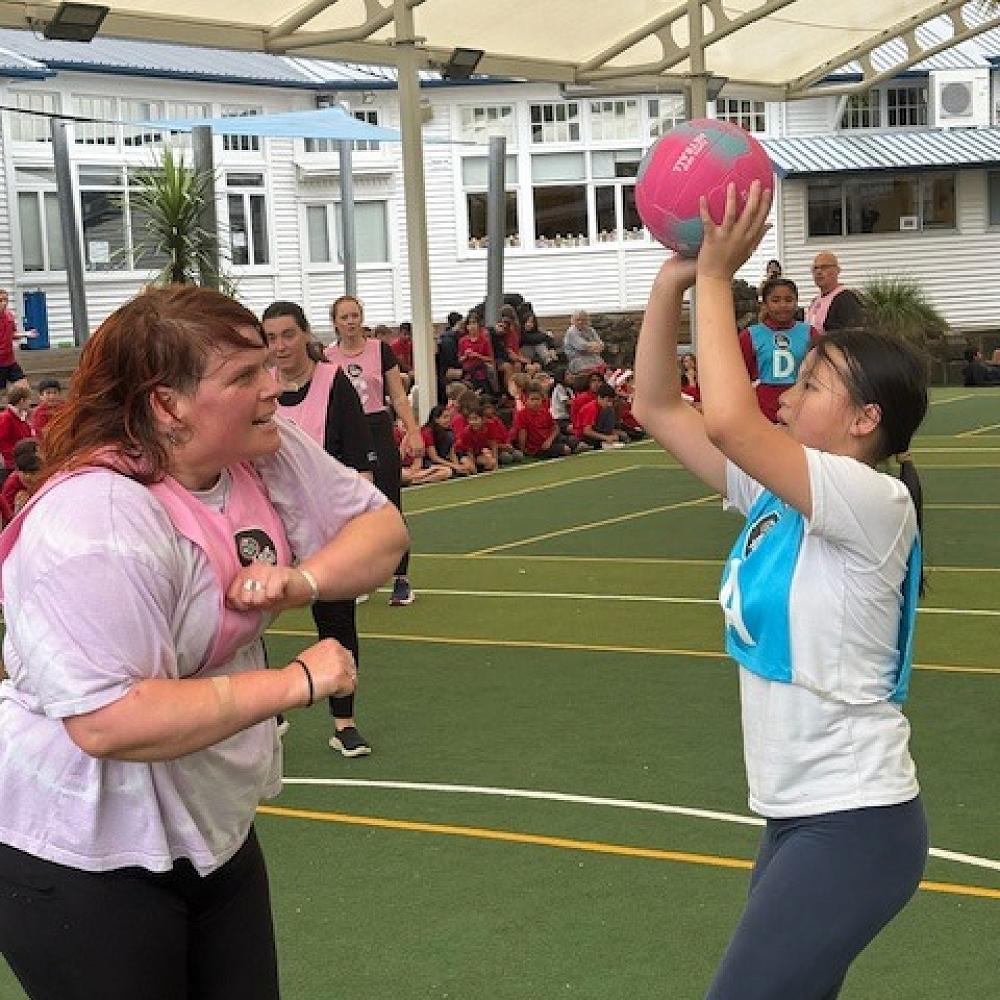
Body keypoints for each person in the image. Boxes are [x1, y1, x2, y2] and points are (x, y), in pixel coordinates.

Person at [0, 285, 408, 1000]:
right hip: (83, 849)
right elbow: (108, 720)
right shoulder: (96, 518)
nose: (273, 386)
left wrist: (302, 580)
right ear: (168, 405)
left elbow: (382, 531)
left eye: (268, 365)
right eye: (244, 375)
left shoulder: (263, 452)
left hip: (211, 828)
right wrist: (296, 682)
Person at [633, 182, 928, 1000]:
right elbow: (657, 405)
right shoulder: (775, 498)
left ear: (865, 420)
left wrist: (718, 277)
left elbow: (729, 422)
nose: (788, 395)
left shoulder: (873, 501)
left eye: (812, 385)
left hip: (856, 822)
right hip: (797, 818)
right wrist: (674, 280)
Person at [263, 300, 379, 757]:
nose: (280, 346)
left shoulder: (334, 382)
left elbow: (358, 458)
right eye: (271, 338)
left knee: (337, 622)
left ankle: (344, 722)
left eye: (288, 335)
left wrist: (360, 528)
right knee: (247, 622)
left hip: (324, 526)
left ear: (305, 334)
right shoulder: (261, 389)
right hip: (271, 521)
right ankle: (268, 711)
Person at [326, 295, 422, 607]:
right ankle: (361, 577)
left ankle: (401, 578)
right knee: (351, 510)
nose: (351, 322)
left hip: (377, 426)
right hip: (345, 433)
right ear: (335, 322)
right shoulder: (327, 357)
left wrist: (413, 430)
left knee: (389, 503)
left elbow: (398, 395)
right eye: (344, 317)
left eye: (355, 315)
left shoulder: (380, 350)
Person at [740, 278, 819, 423]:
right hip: (763, 412)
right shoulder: (750, 335)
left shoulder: (810, 333)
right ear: (765, 304)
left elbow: (820, 372)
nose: (783, 305)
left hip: (801, 409)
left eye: (788, 300)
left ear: (796, 302)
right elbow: (738, 376)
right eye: (775, 300)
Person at [805, 252, 866, 334]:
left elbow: (854, 334)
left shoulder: (845, 299)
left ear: (837, 270)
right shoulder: (815, 301)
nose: (818, 272)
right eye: (815, 268)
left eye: (824, 267)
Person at [0, 291, 32, 395]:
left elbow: (12, 334)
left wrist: (26, 334)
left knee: (24, 390)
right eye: (0, 300)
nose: (4, 303)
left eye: (6, 300)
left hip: (10, 361)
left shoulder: (9, 316)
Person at [0, 385, 35, 481]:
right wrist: (15, 457)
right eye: (28, 399)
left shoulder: (21, 417)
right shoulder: (6, 417)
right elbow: (2, 441)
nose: (30, 402)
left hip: (21, 462)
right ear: (22, 401)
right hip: (12, 465)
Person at [563, 310, 606, 375]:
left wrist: (593, 347)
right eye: (578, 320)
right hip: (578, 360)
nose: (580, 322)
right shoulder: (571, 332)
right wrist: (594, 346)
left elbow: (601, 345)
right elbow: (582, 346)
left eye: (583, 320)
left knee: (606, 371)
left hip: (594, 358)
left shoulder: (591, 330)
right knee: (593, 374)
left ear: (587, 320)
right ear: (573, 320)